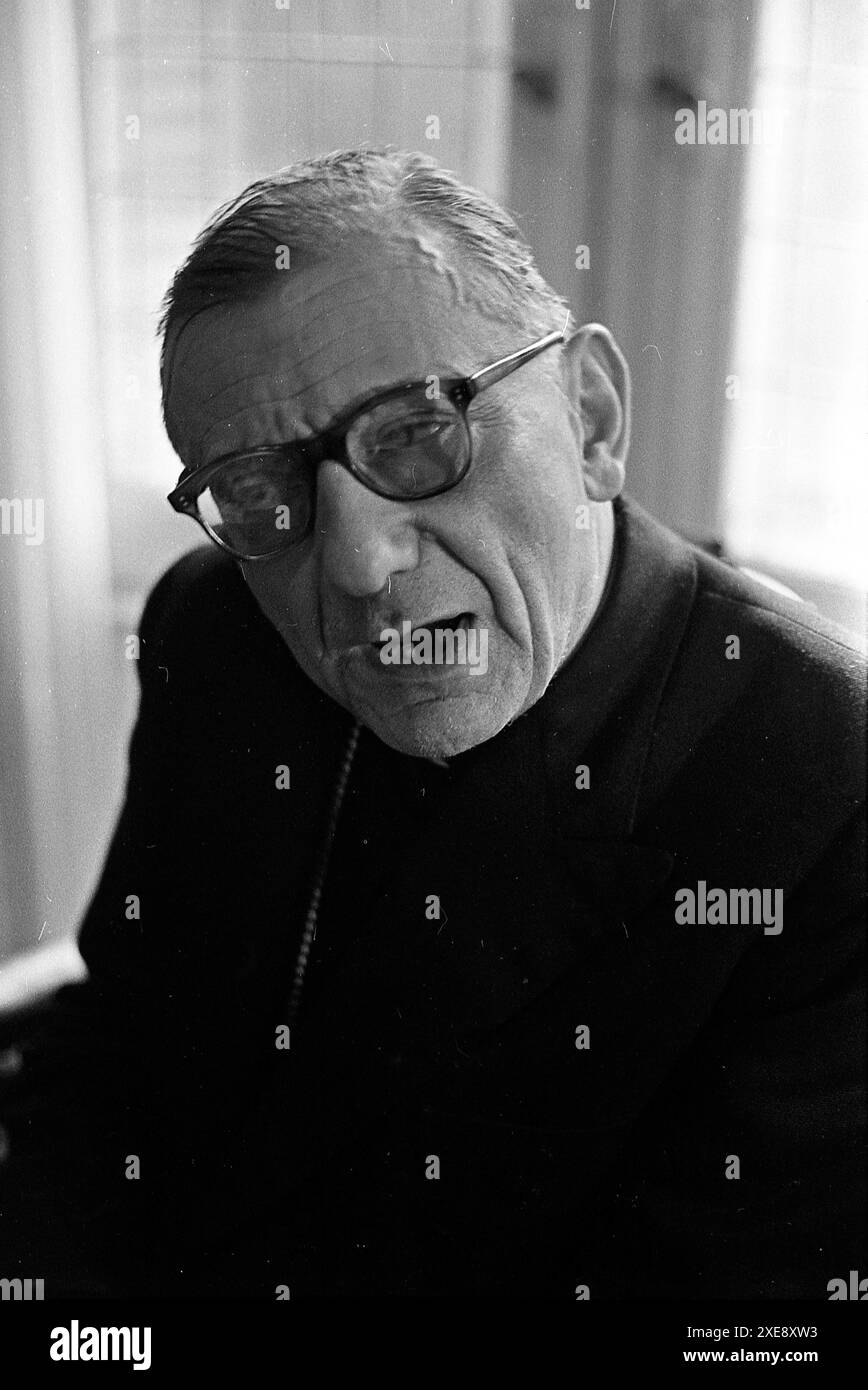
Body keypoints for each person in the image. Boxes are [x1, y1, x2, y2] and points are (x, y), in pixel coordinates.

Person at [1, 148, 864, 1299]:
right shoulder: (214, 624)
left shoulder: (821, 780)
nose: (357, 564)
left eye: (417, 434)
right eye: (263, 494)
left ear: (591, 421)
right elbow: (114, 1059)